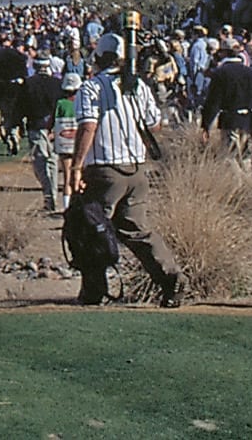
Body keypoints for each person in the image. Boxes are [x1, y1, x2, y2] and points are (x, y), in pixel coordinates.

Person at [67, 33, 182, 307]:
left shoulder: (91, 87)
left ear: (98, 58)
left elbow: (88, 126)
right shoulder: (138, 86)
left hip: (105, 169)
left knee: (91, 228)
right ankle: (171, 279)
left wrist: (76, 166)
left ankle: (94, 291)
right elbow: (155, 125)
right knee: (136, 230)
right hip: (137, 170)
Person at [200, 37, 252, 166]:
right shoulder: (250, 72)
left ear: (224, 53)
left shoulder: (221, 73)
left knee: (230, 156)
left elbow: (213, 101)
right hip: (247, 119)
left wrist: (206, 124)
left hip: (230, 119)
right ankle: (248, 178)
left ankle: (240, 179)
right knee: (245, 156)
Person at [19, 57, 66, 211]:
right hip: (55, 127)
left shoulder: (28, 83)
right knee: (52, 161)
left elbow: (21, 106)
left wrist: (16, 124)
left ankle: (49, 195)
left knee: (40, 163)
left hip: (37, 126)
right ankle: (51, 195)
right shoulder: (57, 84)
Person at [54, 72, 82, 213]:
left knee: (67, 177)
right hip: (79, 143)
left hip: (64, 143)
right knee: (79, 174)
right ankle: (78, 205)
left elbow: (52, 121)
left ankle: (67, 207)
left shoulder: (60, 103)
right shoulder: (82, 103)